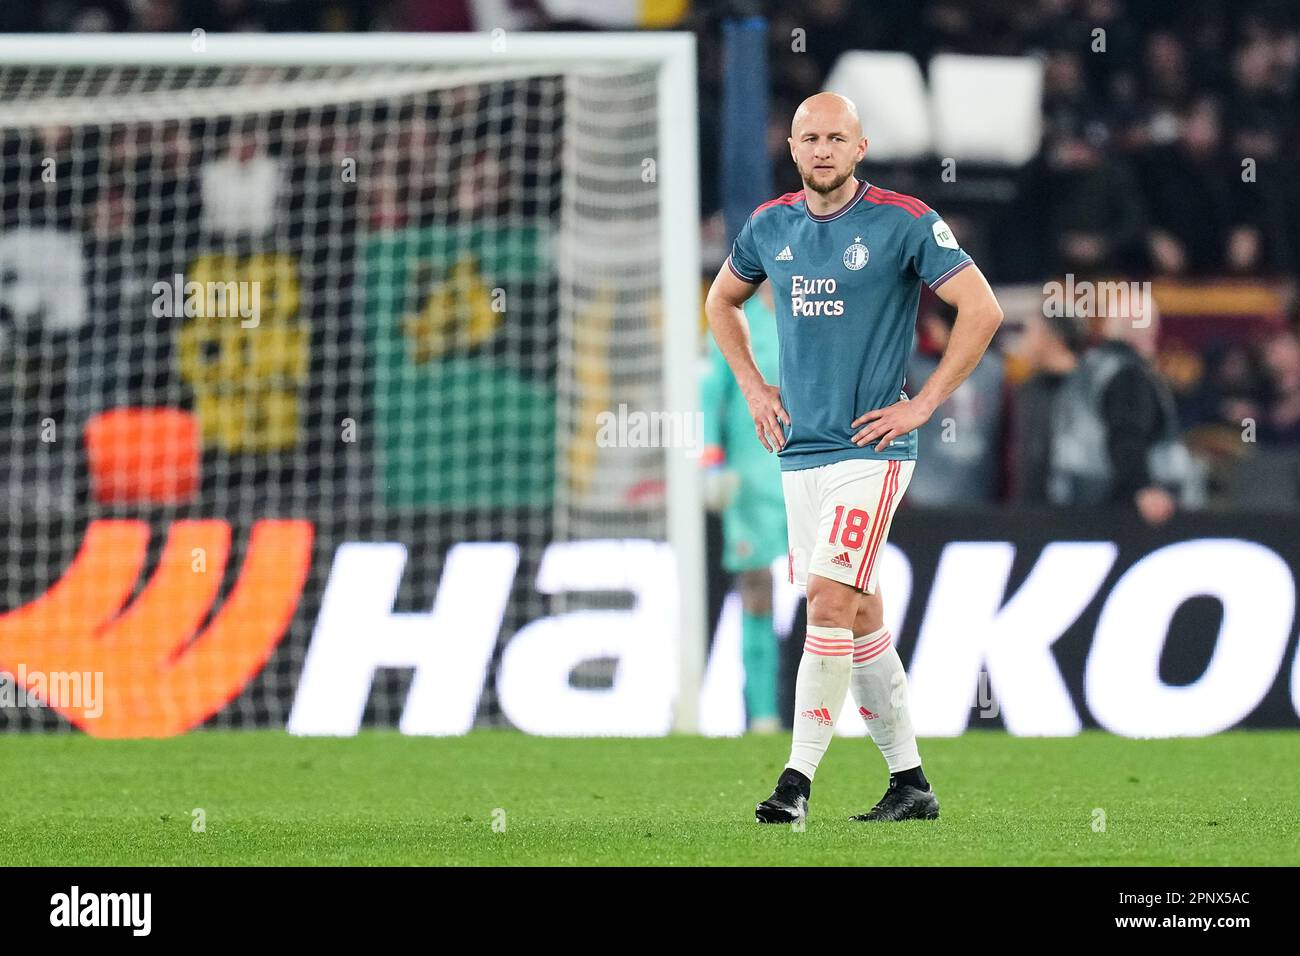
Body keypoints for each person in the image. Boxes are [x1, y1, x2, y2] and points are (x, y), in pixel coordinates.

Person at [704, 92, 1003, 824]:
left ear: (860, 147)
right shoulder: (770, 226)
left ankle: (794, 785)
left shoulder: (903, 221)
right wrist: (751, 385)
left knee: (826, 602)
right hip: (801, 451)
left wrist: (923, 404)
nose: (824, 149)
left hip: (873, 447)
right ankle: (911, 783)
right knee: (860, 615)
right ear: (795, 148)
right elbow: (721, 303)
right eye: (810, 138)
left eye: (838, 137)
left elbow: (984, 308)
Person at [699, 283, 785, 733]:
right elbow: (710, 390)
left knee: (835, 593)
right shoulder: (734, 317)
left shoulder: (819, 310)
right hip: (751, 478)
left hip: (810, 471)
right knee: (756, 589)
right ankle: (764, 714)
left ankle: (833, 711)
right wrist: (710, 459)